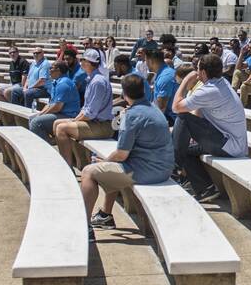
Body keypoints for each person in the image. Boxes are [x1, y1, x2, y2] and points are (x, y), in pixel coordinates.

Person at [82, 74, 176, 232]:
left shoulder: (132, 115)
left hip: (147, 172)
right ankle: (105, 214)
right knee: (112, 167)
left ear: (124, 94)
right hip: (163, 169)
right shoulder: (153, 107)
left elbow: (121, 154)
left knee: (89, 172)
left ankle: (84, 227)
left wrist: (105, 161)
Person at [172, 54, 249, 203]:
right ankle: (205, 188)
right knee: (186, 148)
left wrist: (186, 80)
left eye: (198, 69)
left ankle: (173, 170)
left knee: (183, 117)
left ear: (203, 72)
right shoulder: (221, 83)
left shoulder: (208, 90)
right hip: (231, 142)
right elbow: (198, 114)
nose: (196, 71)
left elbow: (176, 108)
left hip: (229, 145)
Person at [54, 49, 115, 170]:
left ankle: (67, 167)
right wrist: (75, 120)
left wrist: (74, 121)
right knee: (57, 123)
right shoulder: (93, 79)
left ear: (88, 63)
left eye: (82, 60)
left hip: (102, 126)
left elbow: (90, 113)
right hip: (95, 123)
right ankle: (78, 162)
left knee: (62, 128)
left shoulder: (97, 82)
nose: (80, 62)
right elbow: (86, 108)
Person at [28, 61, 81, 141]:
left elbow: (57, 107)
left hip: (68, 115)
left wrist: (42, 115)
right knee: (33, 118)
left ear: (58, 70)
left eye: (51, 68)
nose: (49, 71)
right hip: (60, 113)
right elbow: (50, 104)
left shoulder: (64, 83)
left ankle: (48, 145)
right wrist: (41, 113)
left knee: (36, 122)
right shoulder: (56, 82)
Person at [147, 48, 178, 123]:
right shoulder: (162, 73)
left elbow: (161, 108)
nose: (146, 64)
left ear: (151, 61)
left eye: (146, 61)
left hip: (170, 119)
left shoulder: (165, 76)